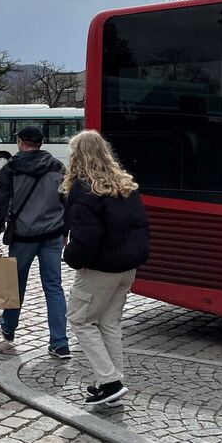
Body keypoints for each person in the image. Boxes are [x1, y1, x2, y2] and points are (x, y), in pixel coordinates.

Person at [62, 130, 150, 406]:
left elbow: (86, 237)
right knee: (109, 323)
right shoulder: (123, 183)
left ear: (77, 155)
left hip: (100, 268)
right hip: (127, 266)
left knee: (80, 319)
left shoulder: (84, 187)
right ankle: (112, 382)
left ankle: (109, 380)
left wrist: (70, 256)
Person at [0, 125, 70, 359]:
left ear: (21, 142)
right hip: (52, 234)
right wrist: (66, 231)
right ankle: (60, 342)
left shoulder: (12, 168)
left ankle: (9, 327)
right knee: (54, 287)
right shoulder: (57, 166)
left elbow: (1, 206)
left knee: (16, 285)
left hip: (23, 236)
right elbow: (66, 201)